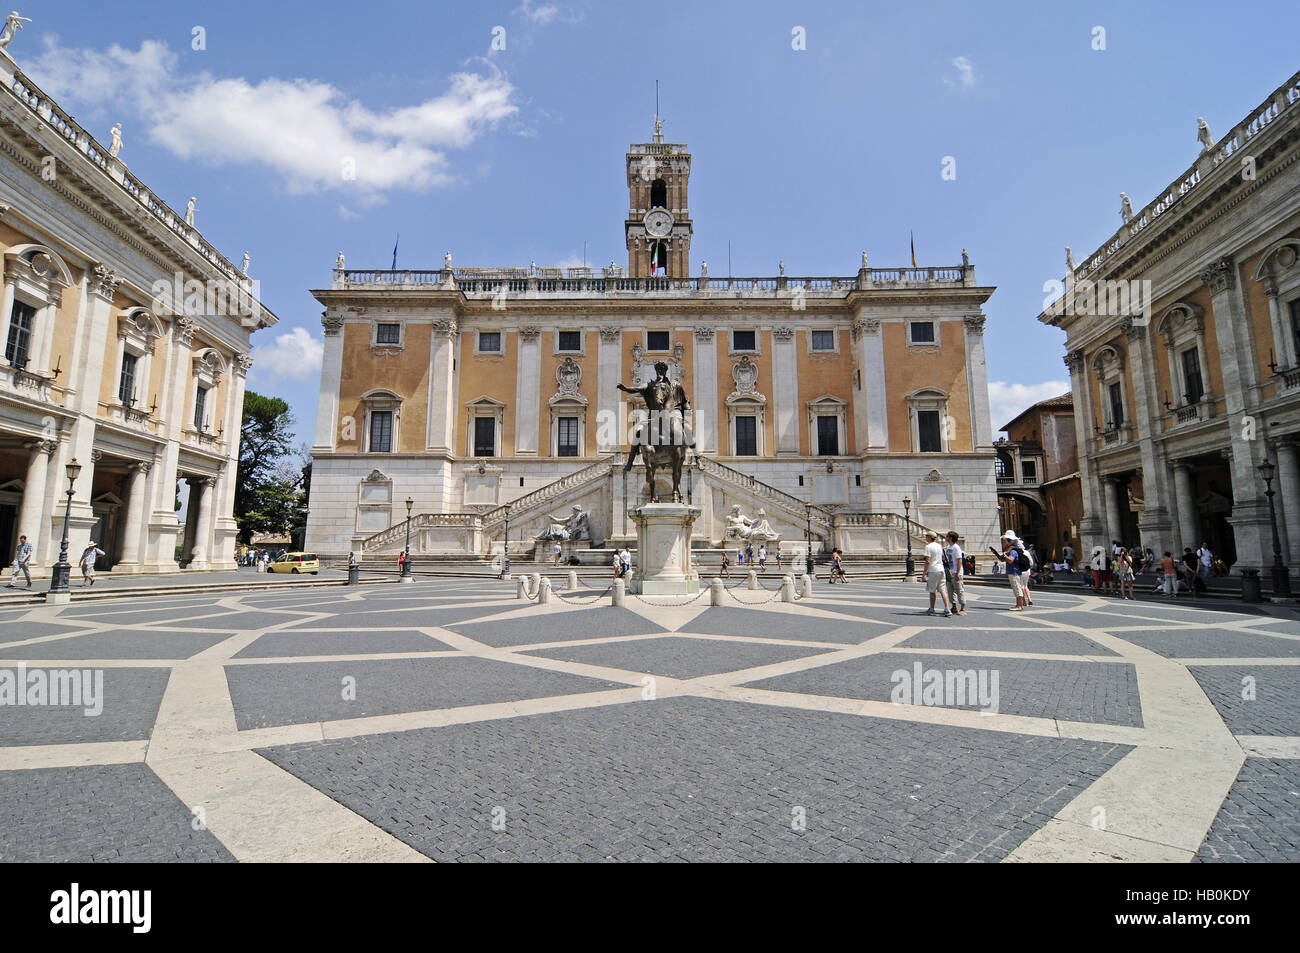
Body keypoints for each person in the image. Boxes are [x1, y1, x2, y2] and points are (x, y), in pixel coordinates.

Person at [921, 531, 951, 617]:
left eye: (926, 536)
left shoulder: (928, 547)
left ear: (929, 538)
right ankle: (947, 608)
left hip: (933, 570)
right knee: (942, 590)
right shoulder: (939, 546)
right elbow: (942, 557)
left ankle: (932, 608)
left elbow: (928, 561)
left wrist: (924, 574)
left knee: (932, 590)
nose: (925, 538)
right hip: (941, 569)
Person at [994, 533, 1026, 610]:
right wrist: (997, 554)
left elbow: (1011, 560)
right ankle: (1018, 605)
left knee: (1017, 588)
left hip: (1014, 572)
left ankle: (1020, 606)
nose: (1003, 543)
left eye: (1005, 541)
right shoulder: (1010, 551)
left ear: (1009, 542)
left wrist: (1005, 554)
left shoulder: (1013, 551)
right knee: (1016, 588)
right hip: (1012, 572)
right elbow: (1003, 560)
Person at [944, 531, 966, 615]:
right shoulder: (948, 547)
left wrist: (957, 572)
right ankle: (954, 607)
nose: (945, 537)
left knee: (959, 589)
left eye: (947, 536)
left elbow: (959, 560)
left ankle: (963, 608)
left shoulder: (956, 548)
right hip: (949, 572)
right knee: (950, 590)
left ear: (950, 538)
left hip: (956, 572)